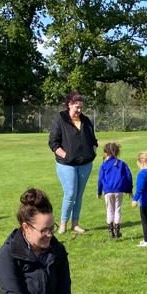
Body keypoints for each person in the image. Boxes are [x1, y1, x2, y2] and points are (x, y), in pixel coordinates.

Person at [48, 92, 98, 235]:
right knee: (70, 193)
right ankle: (63, 223)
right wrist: (66, 155)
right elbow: (53, 142)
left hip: (85, 164)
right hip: (66, 164)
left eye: (81, 107)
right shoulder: (60, 119)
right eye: (77, 107)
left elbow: (93, 139)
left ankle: (75, 223)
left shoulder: (86, 120)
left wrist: (93, 150)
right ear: (69, 104)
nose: (79, 110)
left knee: (79, 195)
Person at [96, 142, 133, 238]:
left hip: (108, 191)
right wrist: (129, 190)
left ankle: (110, 232)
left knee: (109, 210)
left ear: (106, 153)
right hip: (119, 190)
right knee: (118, 209)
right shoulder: (122, 164)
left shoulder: (104, 165)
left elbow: (100, 179)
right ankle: (117, 231)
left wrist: (99, 192)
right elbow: (129, 177)